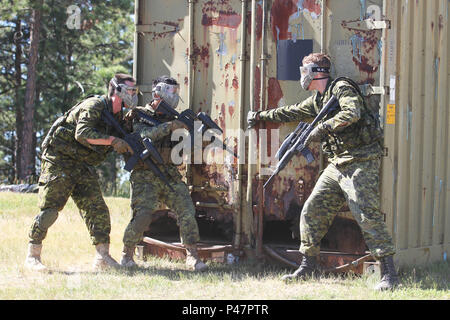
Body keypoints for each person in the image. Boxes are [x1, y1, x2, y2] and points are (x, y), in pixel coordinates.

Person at [247, 53, 399, 291]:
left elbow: (352, 113)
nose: (301, 75)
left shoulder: (341, 88)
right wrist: (260, 116)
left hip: (360, 161)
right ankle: (308, 266)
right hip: (337, 164)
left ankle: (389, 274)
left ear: (317, 72)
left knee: (367, 215)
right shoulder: (319, 100)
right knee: (312, 210)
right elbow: (292, 111)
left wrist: (321, 128)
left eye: (304, 70)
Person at [25, 73, 137, 272]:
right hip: (60, 159)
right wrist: (112, 141)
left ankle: (102, 257)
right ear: (117, 90)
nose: (133, 94)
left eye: (135, 91)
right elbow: (82, 133)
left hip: (82, 164)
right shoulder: (94, 105)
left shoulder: (120, 116)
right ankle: (32, 256)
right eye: (129, 90)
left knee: (97, 210)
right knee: (50, 209)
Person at [120, 75, 208, 272]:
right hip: (145, 172)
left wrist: (200, 138)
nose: (174, 96)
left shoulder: (174, 118)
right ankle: (127, 254)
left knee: (186, 209)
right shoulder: (139, 113)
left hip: (169, 172)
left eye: (176, 92)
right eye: (171, 91)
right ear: (157, 92)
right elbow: (141, 136)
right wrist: (170, 127)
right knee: (142, 214)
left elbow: (181, 151)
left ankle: (192, 256)